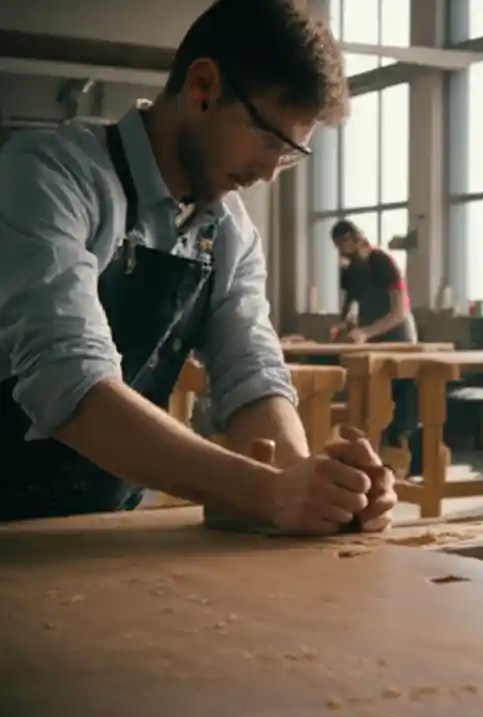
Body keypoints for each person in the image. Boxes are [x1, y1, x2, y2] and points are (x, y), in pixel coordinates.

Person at [0, 0, 396, 533]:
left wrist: (316, 487)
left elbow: (251, 375)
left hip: (100, 528)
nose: (269, 174)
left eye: (290, 155)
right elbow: (70, 382)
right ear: (204, 88)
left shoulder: (229, 231)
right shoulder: (49, 175)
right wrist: (265, 490)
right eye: (269, 140)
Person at [330, 219, 420, 456]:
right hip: (370, 341)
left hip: (397, 335)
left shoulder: (382, 262)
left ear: (356, 237)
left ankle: (399, 452)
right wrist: (344, 325)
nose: (341, 250)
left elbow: (399, 311)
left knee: (400, 401)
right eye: (337, 245)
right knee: (368, 400)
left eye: (344, 243)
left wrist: (366, 332)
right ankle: (367, 450)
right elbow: (350, 307)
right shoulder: (349, 269)